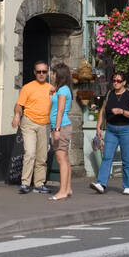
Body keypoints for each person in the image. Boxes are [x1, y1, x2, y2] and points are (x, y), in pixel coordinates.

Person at [91, 69, 129, 195]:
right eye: (114, 81)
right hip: (111, 129)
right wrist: (98, 126)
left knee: (126, 158)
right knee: (107, 157)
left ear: (124, 83)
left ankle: (127, 186)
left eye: (119, 81)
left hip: (126, 130)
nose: (116, 83)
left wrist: (122, 112)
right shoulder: (109, 93)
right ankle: (101, 183)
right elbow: (102, 110)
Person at [13, 60, 54, 194]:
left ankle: (39, 184)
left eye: (44, 71)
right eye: (39, 72)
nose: (42, 74)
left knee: (42, 156)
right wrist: (17, 115)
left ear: (47, 72)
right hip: (29, 122)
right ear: (34, 73)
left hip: (45, 124)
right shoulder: (28, 87)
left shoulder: (51, 88)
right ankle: (25, 183)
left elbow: (56, 107)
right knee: (30, 153)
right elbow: (19, 104)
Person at [48, 62, 74, 201]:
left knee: (61, 159)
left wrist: (57, 129)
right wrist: (52, 94)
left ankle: (63, 190)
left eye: (54, 73)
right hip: (61, 126)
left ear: (59, 75)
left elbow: (60, 110)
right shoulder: (62, 90)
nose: (52, 75)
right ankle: (67, 188)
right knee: (65, 159)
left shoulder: (63, 90)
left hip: (61, 127)